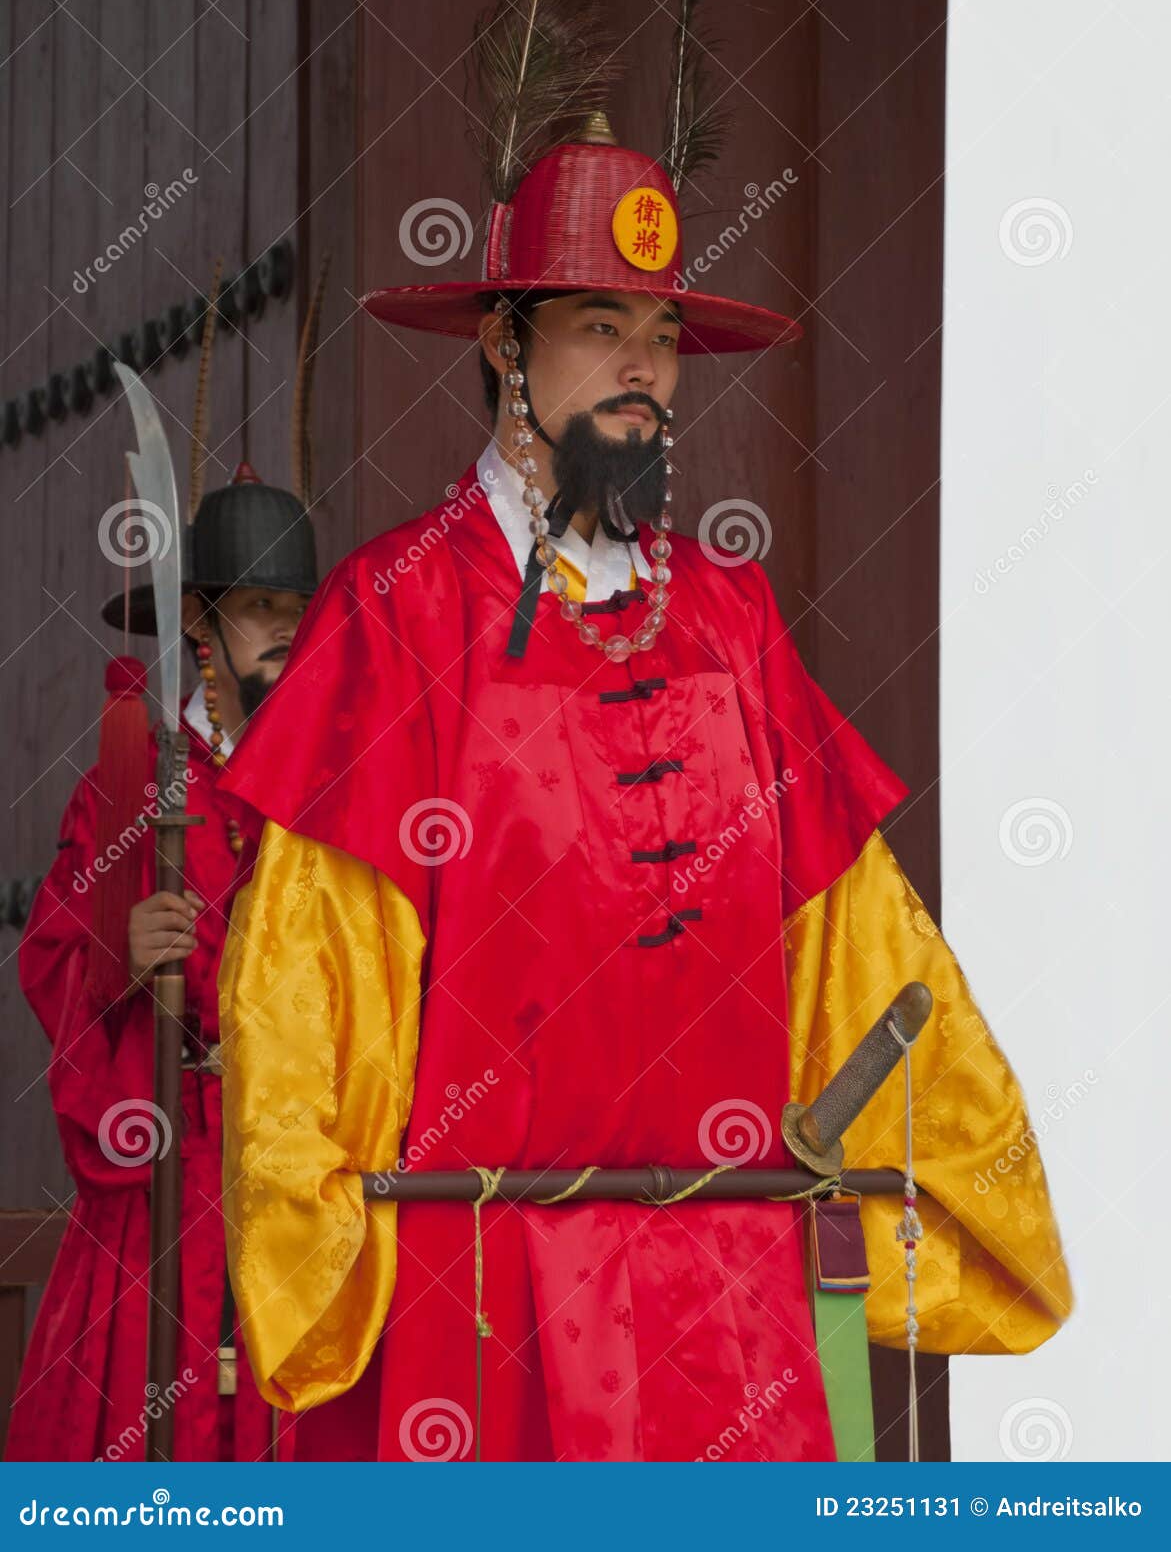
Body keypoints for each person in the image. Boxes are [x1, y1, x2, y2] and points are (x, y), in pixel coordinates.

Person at [215, 114, 1071, 1462]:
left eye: (661, 336)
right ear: (505, 341)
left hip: (729, 1294)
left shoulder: (729, 615)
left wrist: (955, 1188)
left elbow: (855, 946)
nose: (640, 367)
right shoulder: (397, 608)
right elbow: (306, 979)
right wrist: (316, 1235)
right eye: (599, 324)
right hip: (478, 1292)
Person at [4, 283, 323, 1463]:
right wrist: (118, 959)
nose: (284, 634)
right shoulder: (132, 784)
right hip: (164, 1193)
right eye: (257, 612)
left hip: (301, 1193)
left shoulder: (337, 793)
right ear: (198, 631)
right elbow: (54, 957)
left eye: (298, 610)